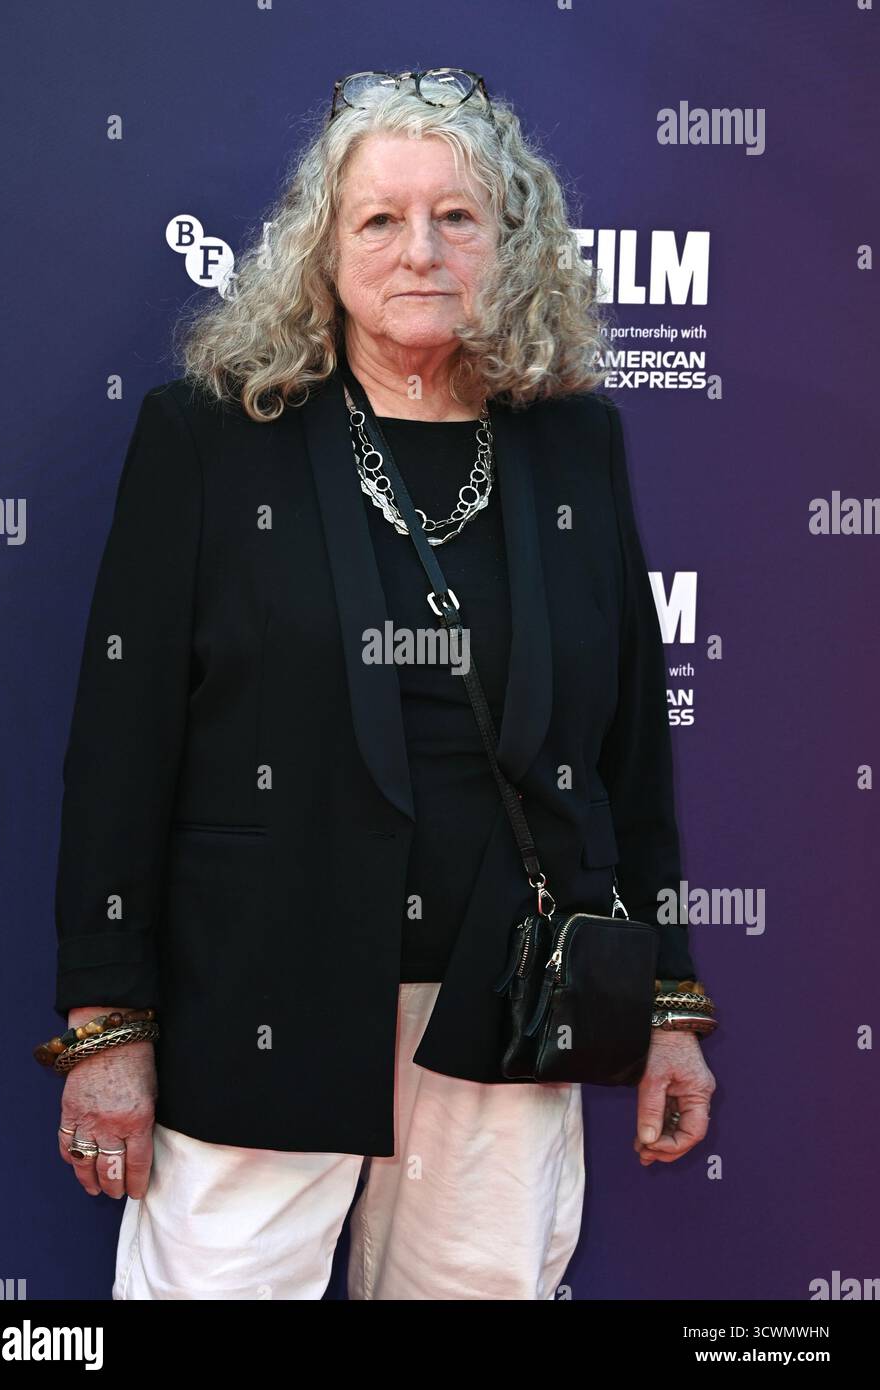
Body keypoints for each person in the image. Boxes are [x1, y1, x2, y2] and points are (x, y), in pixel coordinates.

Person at [40, 68, 716, 1301]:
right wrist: (107, 1025)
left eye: (457, 217)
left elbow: (628, 755)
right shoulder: (209, 437)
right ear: (322, 244)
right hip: (257, 994)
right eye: (380, 218)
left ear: (510, 242)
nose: (420, 249)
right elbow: (119, 745)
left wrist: (668, 996)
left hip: (506, 998)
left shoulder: (575, 441)